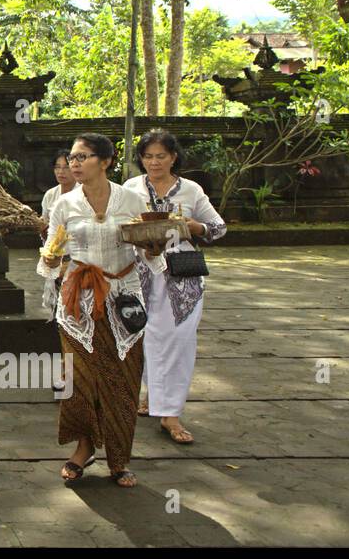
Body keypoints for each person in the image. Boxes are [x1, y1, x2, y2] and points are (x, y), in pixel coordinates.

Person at [39, 134, 165, 489]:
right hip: (78, 300)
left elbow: (149, 251)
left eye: (82, 157)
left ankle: (119, 457)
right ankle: (83, 448)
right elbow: (52, 248)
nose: (74, 163)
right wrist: (49, 259)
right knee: (79, 380)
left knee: (122, 380)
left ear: (106, 161)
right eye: (72, 157)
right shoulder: (65, 203)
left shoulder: (132, 199)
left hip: (123, 299)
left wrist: (155, 248)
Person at [123, 129, 226, 444]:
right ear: (141, 159)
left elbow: (218, 228)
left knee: (179, 340)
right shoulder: (129, 188)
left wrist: (193, 228)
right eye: (148, 156)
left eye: (161, 156)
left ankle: (171, 414)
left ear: (173, 157)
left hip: (181, 276)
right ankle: (152, 396)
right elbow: (116, 227)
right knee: (144, 336)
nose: (154, 162)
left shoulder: (191, 190)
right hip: (139, 272)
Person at [39, 149, 76, 318]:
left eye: (66, 167)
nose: (61, 172)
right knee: (58, 306)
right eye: (57, 167)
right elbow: (45, 224)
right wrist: (41, 228)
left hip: (76, 257)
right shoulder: (50, 195)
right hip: (55, 256)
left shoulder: (83, 193)